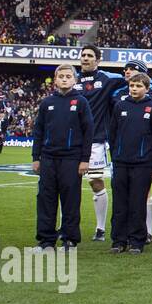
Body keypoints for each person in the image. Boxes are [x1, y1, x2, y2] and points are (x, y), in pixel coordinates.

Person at [31, 64, 94, 250]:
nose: (65, 79)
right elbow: (38, 131)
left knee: (71, 200)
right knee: (46, 199)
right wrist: (36, 157)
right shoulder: (46, 103)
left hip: (72, 159)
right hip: (48, 158)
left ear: (75, 80)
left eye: (68, 76)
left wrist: (84, 159)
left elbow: (88, 132)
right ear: (55, 79)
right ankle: (46, 240)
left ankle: (70, 239)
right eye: (61, 76)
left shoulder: (81, 102)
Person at [107, 72, 152, 254]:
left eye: (139, 86)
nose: (134, 89)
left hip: (143, 164)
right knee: (119, 203)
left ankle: (137, 241)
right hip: (121, 162)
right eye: (132, 86)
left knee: (138, 203)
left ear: (147, 89)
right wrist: (116, 155)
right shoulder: (120, 106)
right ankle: (118, 240)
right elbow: (113, 134)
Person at [75, 44, 127, 244]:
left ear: (98, 60)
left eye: (90, 56)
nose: (85, 58)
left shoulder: (107, 78)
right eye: (83, 55)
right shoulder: (73, 79)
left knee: (95, 182)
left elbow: (135, 76)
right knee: (69, 185)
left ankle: (100, 228)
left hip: (96, 140)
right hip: (73, 141)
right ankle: (68, 227)